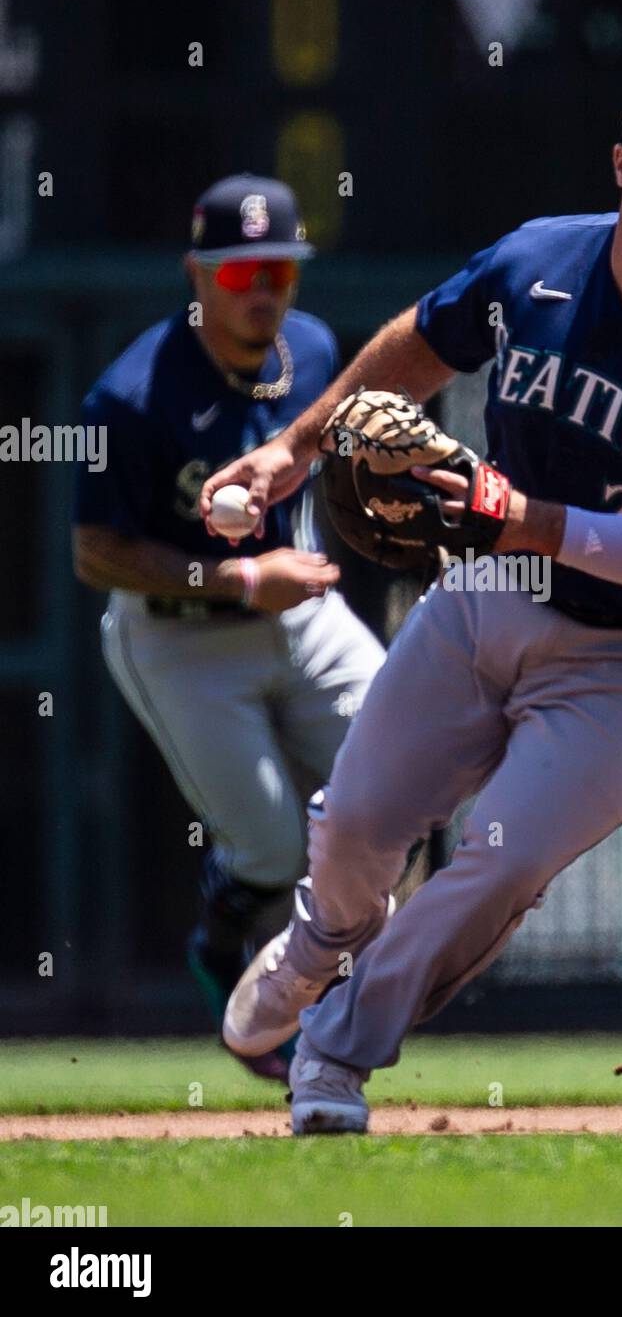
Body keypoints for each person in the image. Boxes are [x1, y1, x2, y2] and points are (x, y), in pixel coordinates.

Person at [201, 63, 622, 1131]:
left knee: (503, 862)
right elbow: (420, 341)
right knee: (354, 827)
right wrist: (292, 451)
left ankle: (334, 1056)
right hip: (491, 590)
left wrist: (530, 519)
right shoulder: (536, 263)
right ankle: (317, 944)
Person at [71, 174, 385, 1082]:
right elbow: (94, 553)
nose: (263, 292)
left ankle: (347, 982)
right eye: (242, 273)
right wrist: (240, 579)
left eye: (278, 272)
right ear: (197, 275)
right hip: (182, 637)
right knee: (273, 849)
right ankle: (220, 951)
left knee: (403, 768)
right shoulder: (131, 396)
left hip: (301, 610)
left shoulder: (314, 349)